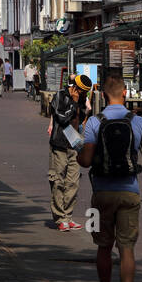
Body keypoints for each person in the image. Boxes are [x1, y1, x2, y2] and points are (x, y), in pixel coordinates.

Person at [78, 72, 142, 282]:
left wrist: (79, 151)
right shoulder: (138, 122)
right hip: (130, 192)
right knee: (127, 249)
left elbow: (84, 161)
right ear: (125, 92)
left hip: (101, 194)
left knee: (103, 246)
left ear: (103, 95)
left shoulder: (94, 122)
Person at [48, 74, 93, 230]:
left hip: (74, 143)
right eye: (82, 93)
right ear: (75, 88)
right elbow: (61, 118)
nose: (84, 96)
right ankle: (60, 218)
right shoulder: (60, 95)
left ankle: (68, 216)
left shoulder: (81, 98)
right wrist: (74, 103)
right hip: (60, 143)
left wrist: (84, 109)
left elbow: (79, 119)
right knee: (58, 180)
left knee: (73, 181)